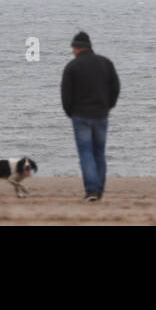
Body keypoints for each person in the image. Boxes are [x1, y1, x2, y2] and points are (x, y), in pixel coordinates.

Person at [60, 31, 120, 202]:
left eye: (73, 48)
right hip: (101, 115)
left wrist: (70, 112)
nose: (73, 51)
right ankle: (99, 190)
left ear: (77, 48)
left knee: (86, 153)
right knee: (99, 153)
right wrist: (108, 106)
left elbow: (66, 94)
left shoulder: (72, 66)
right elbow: (115, 88)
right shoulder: (105, 63)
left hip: (80, 116)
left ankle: (91, 190)